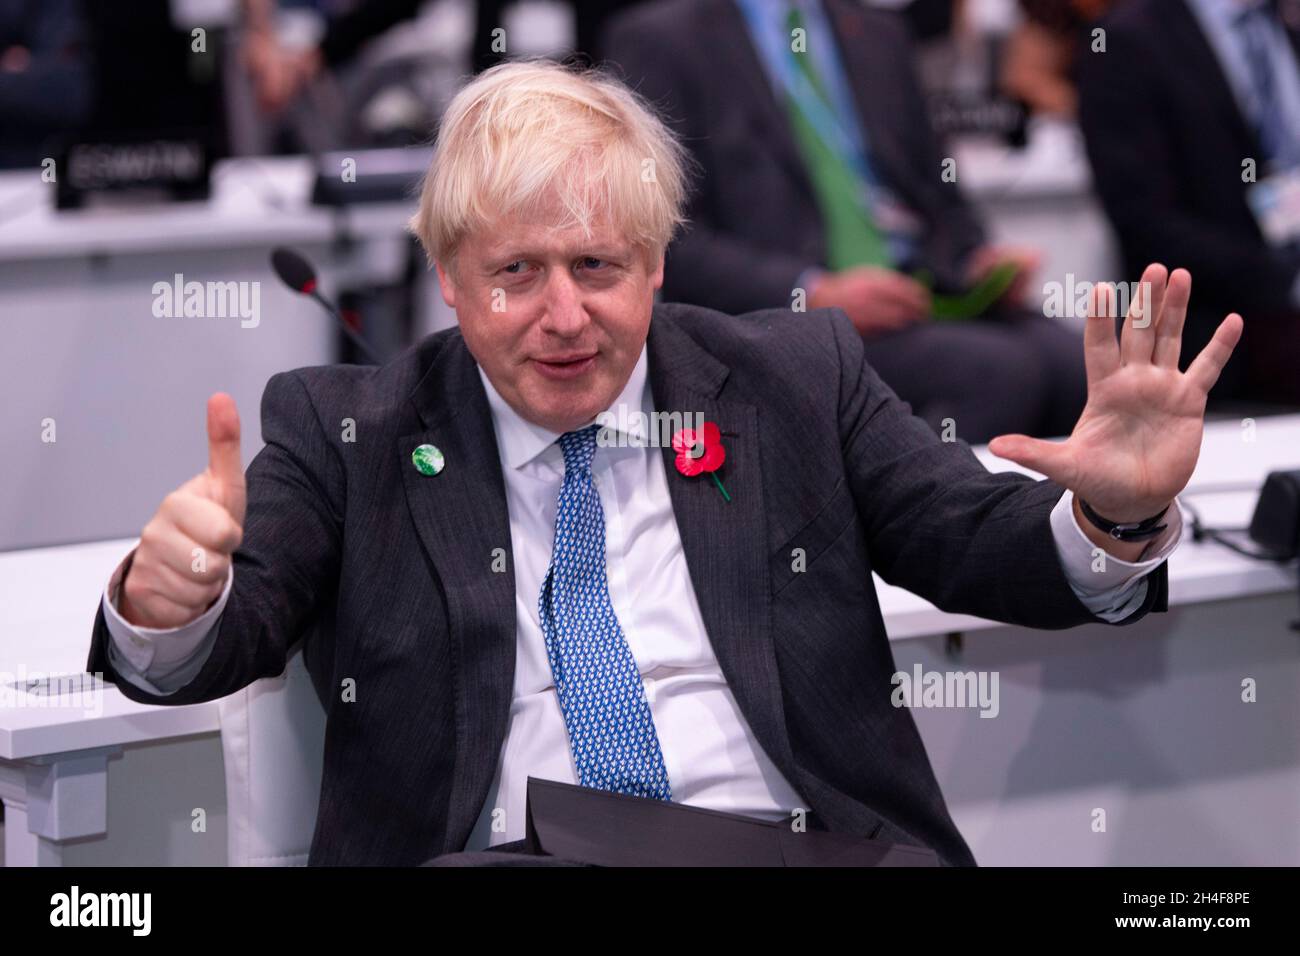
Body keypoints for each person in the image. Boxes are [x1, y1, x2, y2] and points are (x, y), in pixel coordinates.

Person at [87, 59, 1242, 867]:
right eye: (514, 273)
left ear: (655, 260)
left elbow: (969, 535)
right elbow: (214, 639)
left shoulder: (792, 376)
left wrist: (1108, 518)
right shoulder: (352, 427)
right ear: (445, 274)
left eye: (598, 264)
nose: (563, 317)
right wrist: (165, 598)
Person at [601, 0, 1087, 443]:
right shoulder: (662, 39)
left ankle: (1051, 535)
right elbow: (668, 239)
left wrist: (976, 259)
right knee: (999, 374)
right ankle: (923, 531)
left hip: (923, 291)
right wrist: (811, 290)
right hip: (782, 317)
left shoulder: (877, 31)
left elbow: (938, 193)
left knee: (1080, 367)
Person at [1078, 0, 1300, 404]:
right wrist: (1284, 282)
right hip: (1213, 319)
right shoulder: (1126, 39)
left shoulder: (1283, 24)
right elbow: (1143, 222)